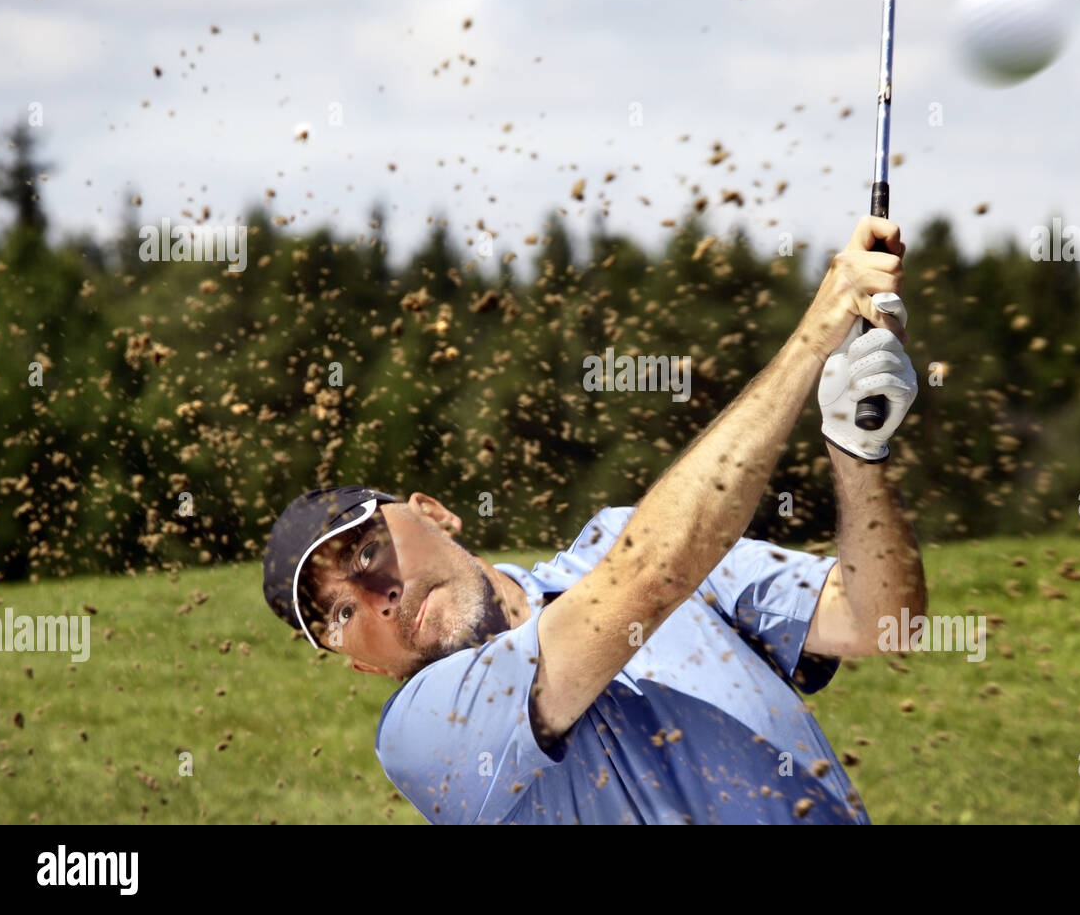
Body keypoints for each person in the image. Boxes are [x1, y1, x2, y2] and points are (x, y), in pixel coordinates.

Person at [261, 216, 926, 823]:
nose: (377, 599)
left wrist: (857, 449)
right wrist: (818, 335)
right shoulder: (421, 732)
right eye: (339, 616)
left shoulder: (617, 536)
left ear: (433, 512)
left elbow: (880, 621)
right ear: (361, 670)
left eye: (367, 553)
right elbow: (651, 574)